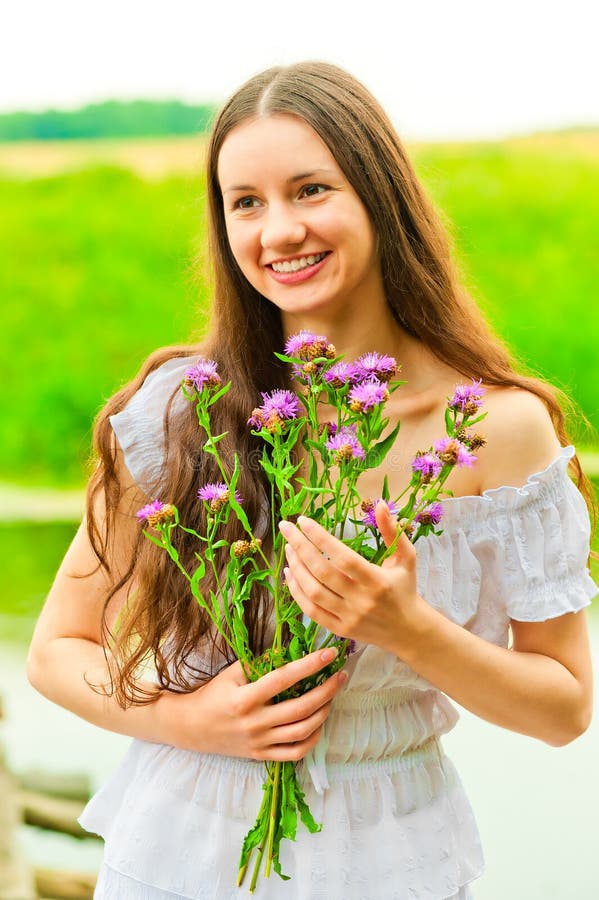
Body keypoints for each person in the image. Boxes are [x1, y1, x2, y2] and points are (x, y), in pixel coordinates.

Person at [27, 61, 596, 900]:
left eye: (310, 190)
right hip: (180, 842)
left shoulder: (500, 431)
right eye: (245, 202)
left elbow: (564, 707)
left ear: (380, 197)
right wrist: (193, 719)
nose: (278, 230)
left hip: (393, 849)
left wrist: (408, 629)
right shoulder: (183, 412)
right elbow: (53, 653)